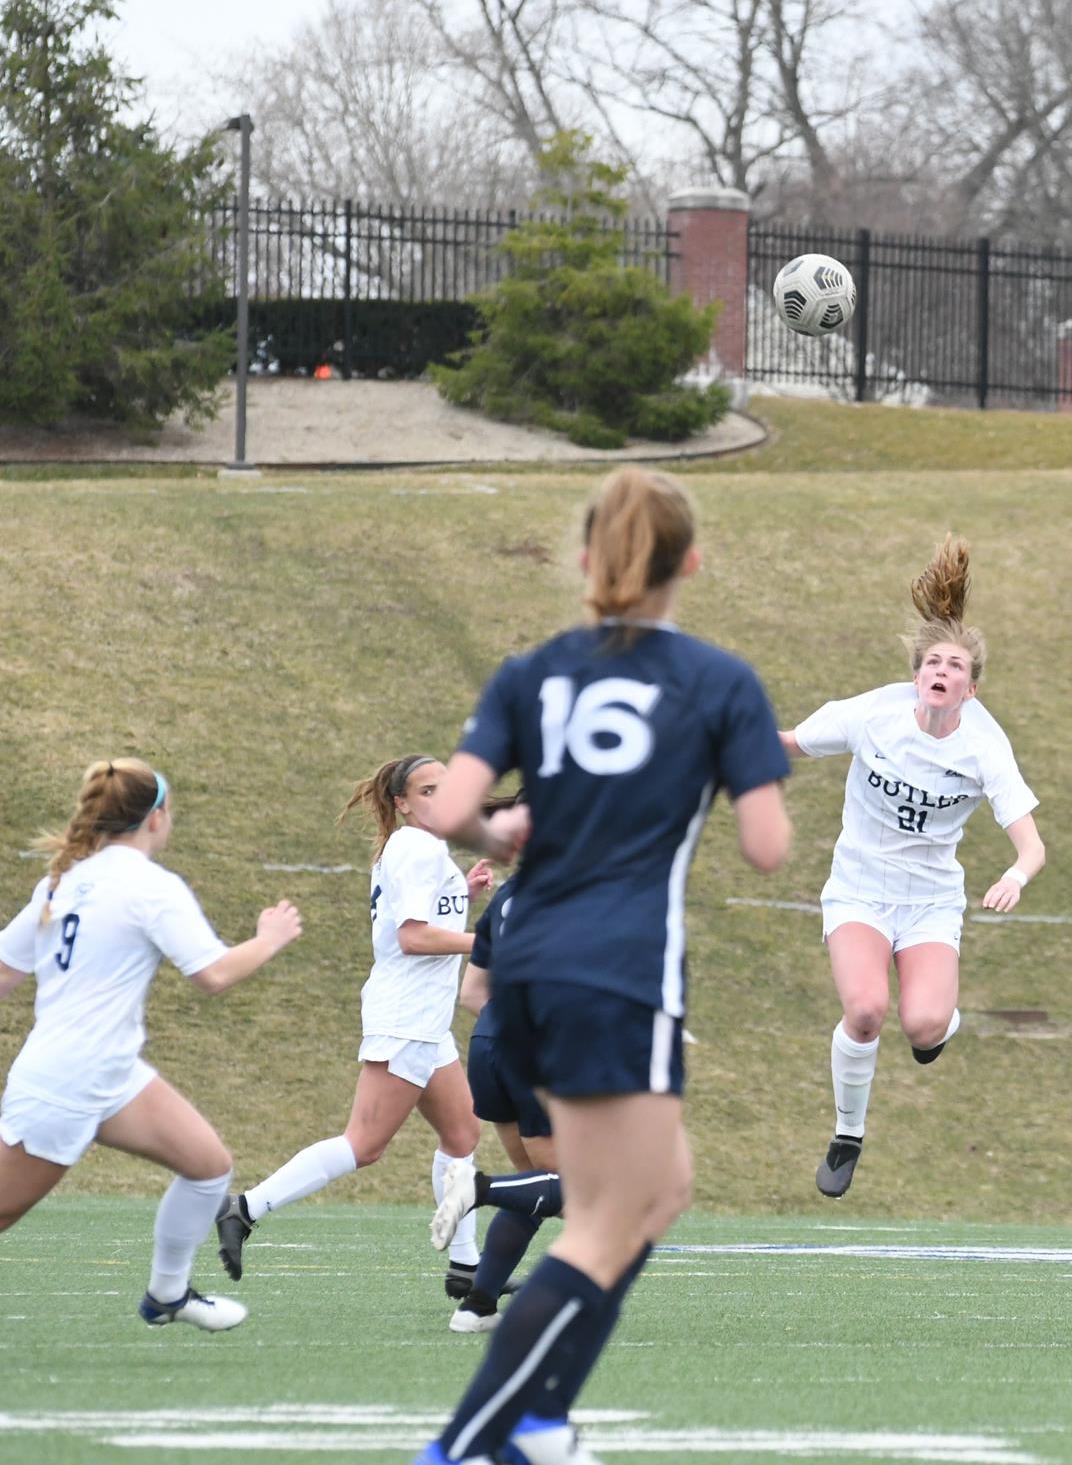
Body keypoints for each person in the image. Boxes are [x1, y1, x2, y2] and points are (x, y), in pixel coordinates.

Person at [411, 466, 792, 1465]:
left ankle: (539, 1422)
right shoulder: (719, 680)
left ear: (585, 562)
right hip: (621, 971)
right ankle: (468, 1441)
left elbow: (452, 811)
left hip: (521, 966)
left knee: (657, 1190)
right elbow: (767, 846)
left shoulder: (528, 669)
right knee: (603, 1219)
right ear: (692, 562)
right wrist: (737, 767)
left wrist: (509, 820)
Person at [781, 535, 1045, 1200]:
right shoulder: (873, 714)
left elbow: (1031, 845)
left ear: (970, 688)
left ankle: (940, 1024)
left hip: (929, 901)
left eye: (955, 666)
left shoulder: (985, 744)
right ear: (916, 673)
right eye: (933, 660)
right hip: (860, 891)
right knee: (867, 1010)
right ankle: (848, 1134)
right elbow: (784, 745)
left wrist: (1014, 875)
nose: (942, 670)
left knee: (924, 1026)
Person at [0, 759, 302, 1332]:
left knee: (208, 1166)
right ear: (155, 817)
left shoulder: (64, 878)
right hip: (66, 1084)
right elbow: (211, 975)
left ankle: (168, 1294)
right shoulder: (149, 886)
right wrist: (269, 939)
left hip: (107, 1073)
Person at [217, 756, 495, 1296]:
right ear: (403, 802)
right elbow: (413, 938)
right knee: (364, 1146)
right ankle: (245, 1207)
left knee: (462, 1135)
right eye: (427, 790)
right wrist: (490, 944)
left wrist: (464, 892)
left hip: (426, 1021)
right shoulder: (414, 846)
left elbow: (417, 920)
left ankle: (467, 1269)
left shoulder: (422, 847)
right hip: (407, 1016)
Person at [434, 859, 567, 1335]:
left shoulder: (510, 894)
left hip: (491, 1043)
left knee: (537, 1185)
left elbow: (471, 991)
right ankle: (478, 1188)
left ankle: (478, 1306)